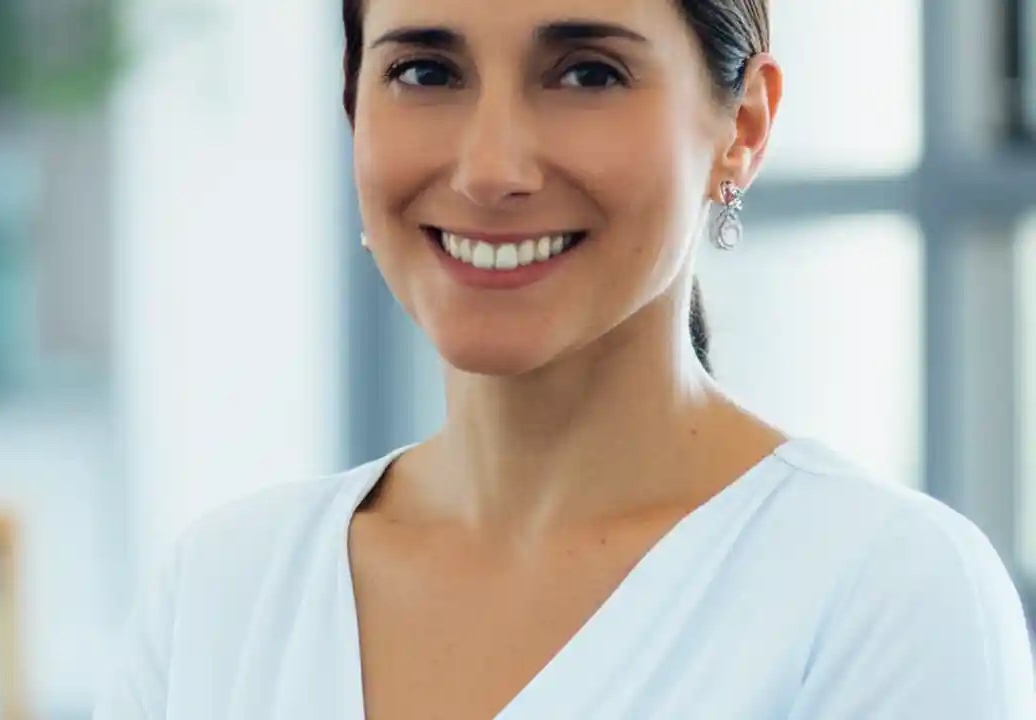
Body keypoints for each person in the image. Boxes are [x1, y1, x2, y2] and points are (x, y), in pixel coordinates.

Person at [95, 0, 1036, 717]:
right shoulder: (220, 594)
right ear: (354, 106)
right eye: (425, 72)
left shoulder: (885, 592)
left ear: (742, 126)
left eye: (587, 73)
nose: (489, 168)